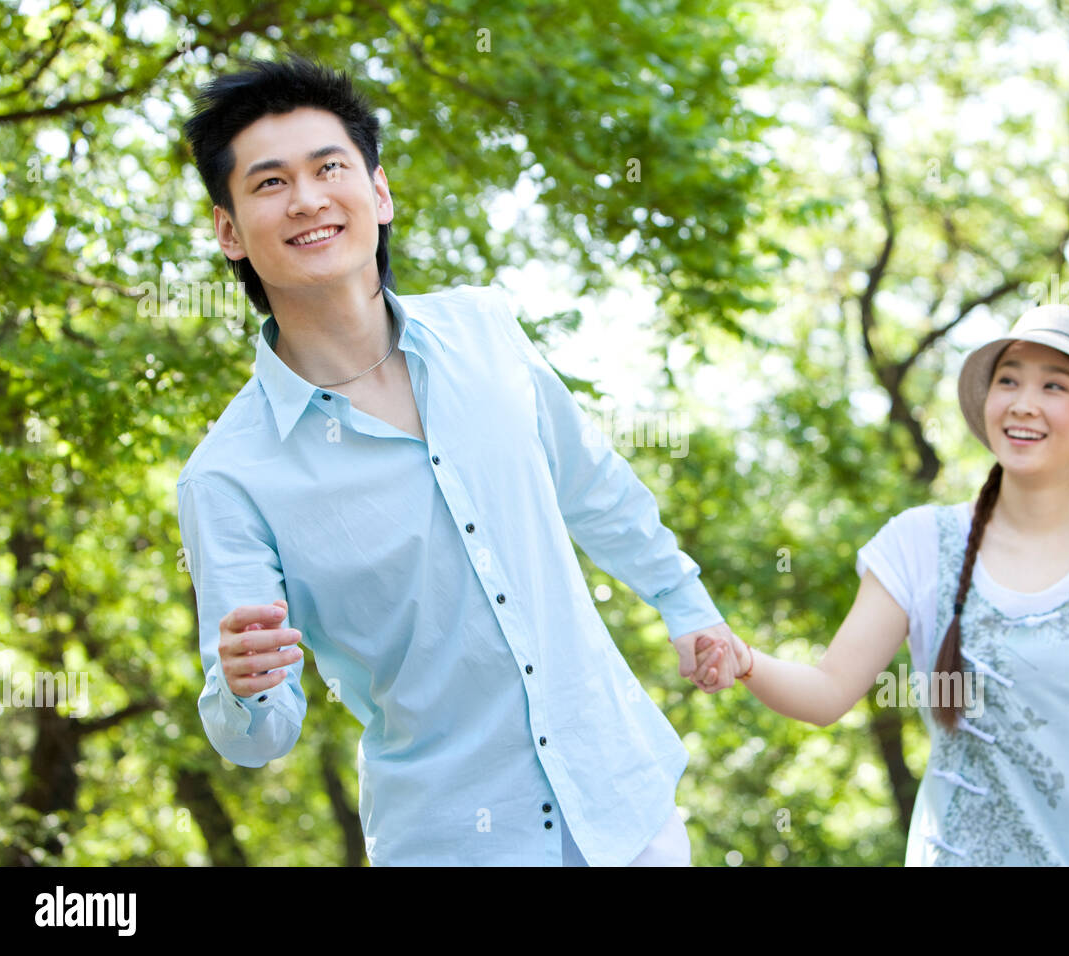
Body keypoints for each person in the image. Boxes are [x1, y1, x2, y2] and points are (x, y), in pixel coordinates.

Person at [175, 56, 734, 866]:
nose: (307, 199)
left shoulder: (485, 330)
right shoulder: (228, 478)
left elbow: (593, 486)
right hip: (451, 843)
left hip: (627, 809)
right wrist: (242, 688)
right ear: (229, 232)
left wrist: (686, 606)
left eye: (329, 168)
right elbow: (259, 738)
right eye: (268, 183)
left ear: (379, 193)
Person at [695, 306, 1069, 865]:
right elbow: (826, 692)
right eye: (1008, 380)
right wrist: (745, 660)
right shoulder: (919, 543)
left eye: (1054, 386)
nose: (1022, 402)